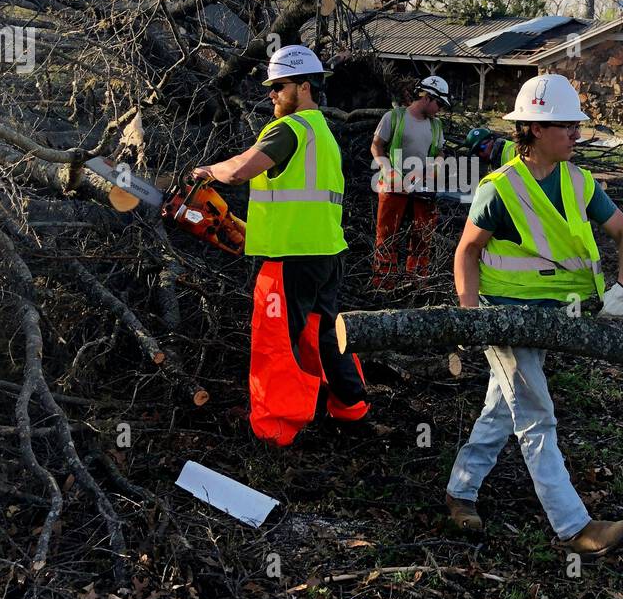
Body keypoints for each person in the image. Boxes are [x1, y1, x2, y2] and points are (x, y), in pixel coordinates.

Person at [446, 73, 623, 556]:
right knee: (536, 415)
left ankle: (460, 492)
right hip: (504, 318)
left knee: (500, 409)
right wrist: (471, 316)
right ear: (535, 129)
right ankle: (575, 528)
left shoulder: (579, 183)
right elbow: (467, 253)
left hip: (554, 319)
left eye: (577, 126)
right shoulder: (499, 189)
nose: (577, 134)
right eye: (566, 126)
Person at [193, 45, 368, 446]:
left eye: (279, 86)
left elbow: (239, 170)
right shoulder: (321, 132)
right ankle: (350, 407)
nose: (271, 94)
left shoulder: (290, 129)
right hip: (324, 254)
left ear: (304, 87)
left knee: (275, 342)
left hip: (288, 260)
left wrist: (204, 171)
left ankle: (275, 426)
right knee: (323, 335)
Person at [369, 75, 451, 289]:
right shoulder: (394, 117)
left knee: (422, 239)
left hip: (423, 189)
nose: (439, 109)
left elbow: (441, 151)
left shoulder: (436, 126)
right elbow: (377, 146)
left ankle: (416, 284)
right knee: (387, 236)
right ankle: (384, 283)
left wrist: (435, 167)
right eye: (439, 103)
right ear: (427, 97)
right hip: (393, 188)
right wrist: (387, 169)